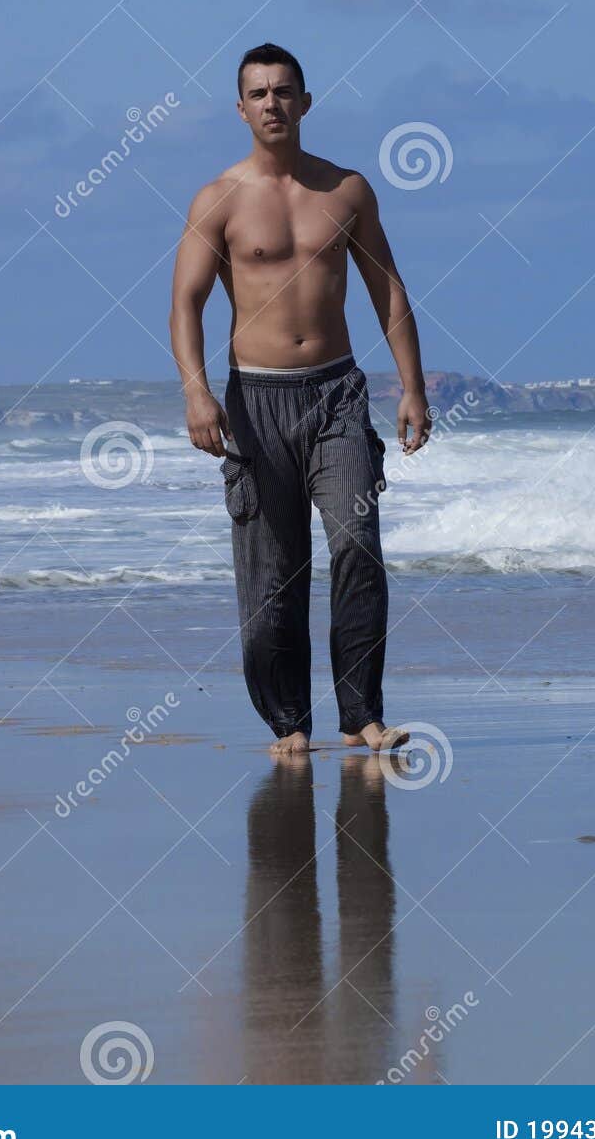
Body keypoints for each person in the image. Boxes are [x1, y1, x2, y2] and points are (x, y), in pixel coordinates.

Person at [169, 43, 432, 755]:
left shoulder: (345, 191)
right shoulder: (216, 200)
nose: (272, 104)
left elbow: (388, 291)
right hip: (254, 404)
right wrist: (197, 395)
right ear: (240, 109)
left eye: (283, 92)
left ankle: (362, 717)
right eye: (258, 94)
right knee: (270, 581)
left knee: (357, 548)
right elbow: (185, 305)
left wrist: (410, 387)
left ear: (306, 102)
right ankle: (288, 725)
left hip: (336, 395)